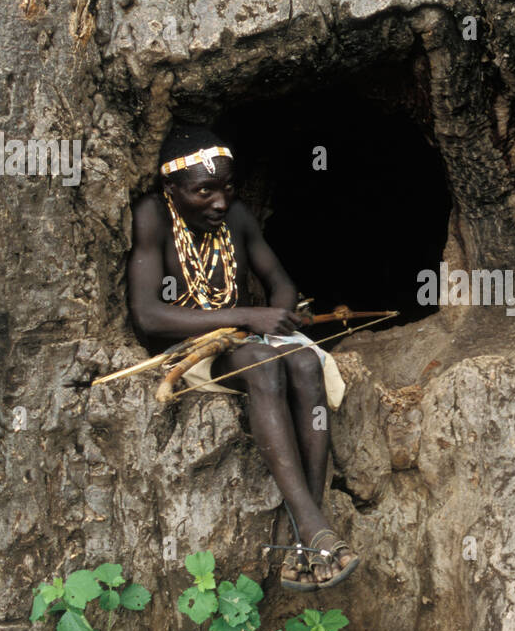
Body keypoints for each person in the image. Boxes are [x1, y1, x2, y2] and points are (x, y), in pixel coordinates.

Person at [127, 123, 360, 590]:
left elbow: (280, 279)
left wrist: (280, 313)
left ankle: (308, 539)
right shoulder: (153, 214)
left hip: (246, 336)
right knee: (266, 364)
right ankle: (314, 530)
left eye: (227, 189)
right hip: (196, 347)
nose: (219, 202)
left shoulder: (236, 216)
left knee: (306, 362)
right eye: (204, 191)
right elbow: (148, 315)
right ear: (170, 189)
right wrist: (249, 317)